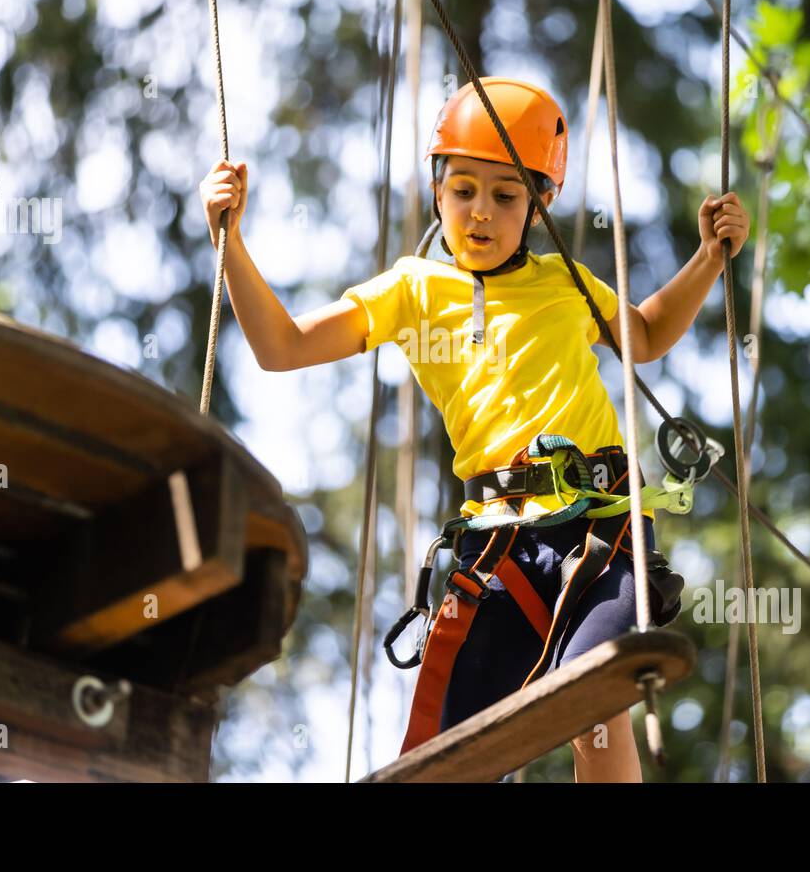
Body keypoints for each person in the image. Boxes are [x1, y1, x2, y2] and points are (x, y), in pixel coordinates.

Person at [199, 77, 750, 782]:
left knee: (594, 695)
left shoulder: (565, 282)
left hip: (599, 532)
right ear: (437, 191)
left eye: (505, 195)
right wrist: (232, 243)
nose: (481, 213)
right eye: (463, 190)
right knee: (446, 760)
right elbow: (282, 348)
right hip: (499, 552)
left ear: (540, 203)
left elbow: (645, 333)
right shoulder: (411, 291)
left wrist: (708, 255)